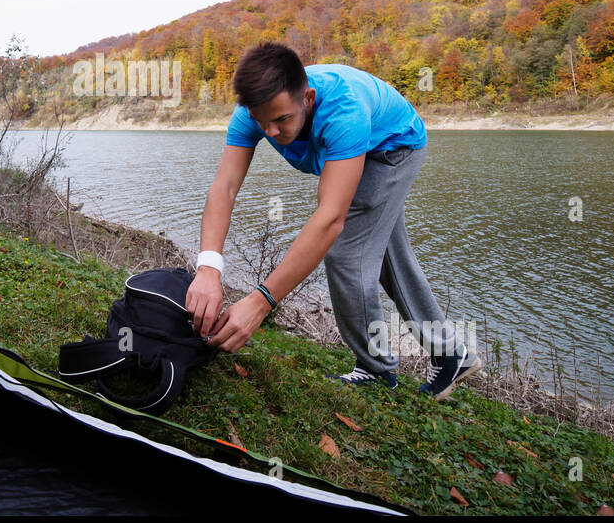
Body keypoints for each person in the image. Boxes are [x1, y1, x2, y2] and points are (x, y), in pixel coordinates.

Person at [186, 41, 480, 400]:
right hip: (364, 145)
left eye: (282, 120)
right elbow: (225, 187)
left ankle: (375, 369)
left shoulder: (344, 112)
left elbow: (330, 218)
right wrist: (208, 268)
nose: (272, 133)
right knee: (387, 257)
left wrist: (261, 302)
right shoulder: (253, 114)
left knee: (345, 254)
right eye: (263, 123)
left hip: (392, 148)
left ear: (308, 99)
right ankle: (450, 353)